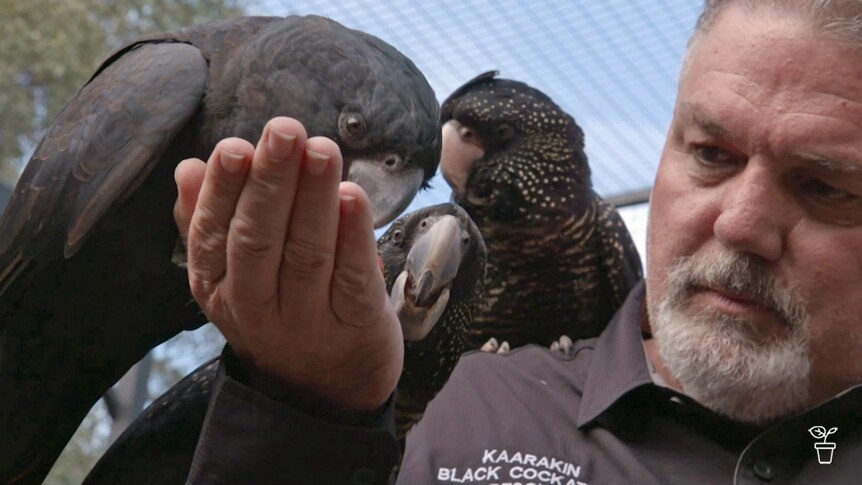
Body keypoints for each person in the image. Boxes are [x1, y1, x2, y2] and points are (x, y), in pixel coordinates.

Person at [172, 1, 862, 483]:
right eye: (711, 153)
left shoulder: (595, 235)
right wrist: (305, 409)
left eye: (824, 187)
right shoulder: (435, 413)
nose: (740, 223)